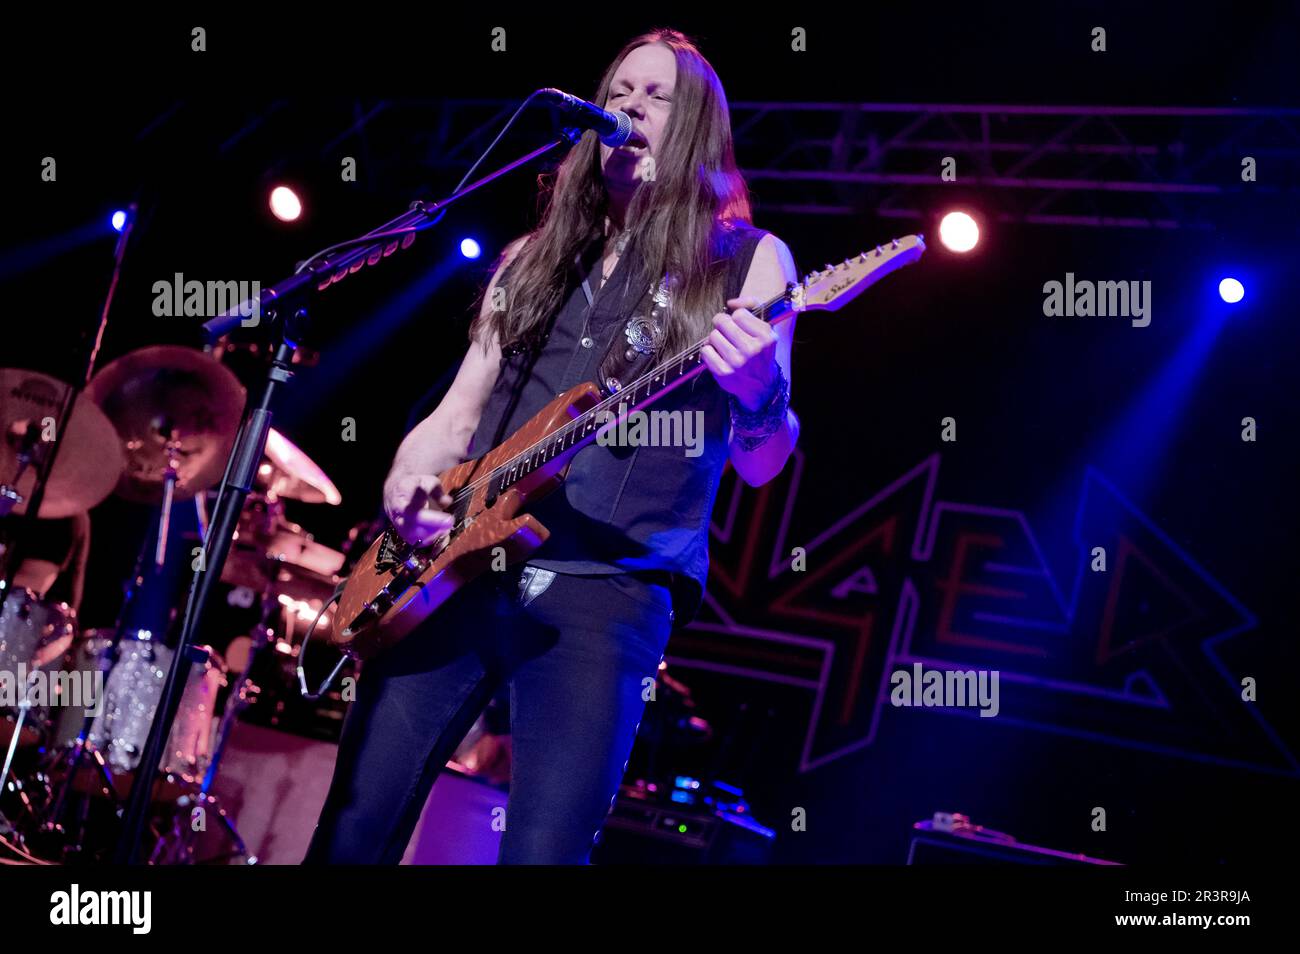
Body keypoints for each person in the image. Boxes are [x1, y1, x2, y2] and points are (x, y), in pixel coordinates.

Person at [304, 28, 800, 865]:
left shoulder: (749, 262)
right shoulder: (531, 259)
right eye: (618, 93)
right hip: (458, 569)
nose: (629, 108)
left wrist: (761, 394)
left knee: (543, 852)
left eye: (655, 97)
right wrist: (406, 482)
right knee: (353, 829)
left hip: (610, 592)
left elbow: (762, 459)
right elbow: (458, 414)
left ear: (695, 132)